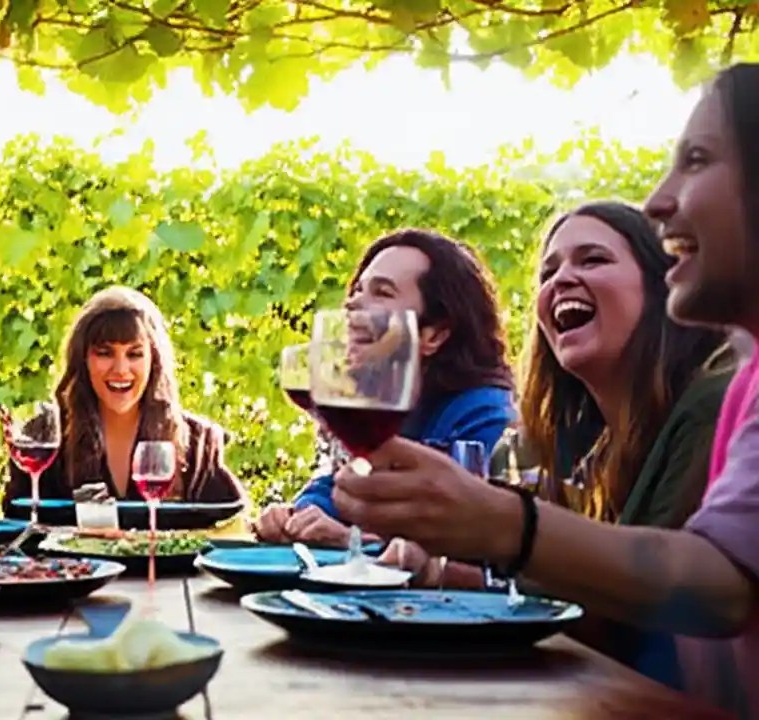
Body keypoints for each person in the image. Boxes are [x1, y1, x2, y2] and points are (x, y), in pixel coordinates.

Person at [331, 64, 759, 718]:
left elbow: (692, 602)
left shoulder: (710, 401)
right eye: (548, 270)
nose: (659, 200)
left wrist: (491, 529)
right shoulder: (590, 437)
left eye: (696, 160)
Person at [382, 202, 731, 686]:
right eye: (549, 271)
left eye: (592, 260)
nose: (561, 279)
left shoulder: (711, 406)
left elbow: (635, 623)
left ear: (662, 285)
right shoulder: (591, 447)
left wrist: (499, 538)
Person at [256, 229, 516, 545]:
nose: (352, 304)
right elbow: (343, 481)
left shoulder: (486, 417)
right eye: (357, 290)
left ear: (433, 334)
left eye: (382, 293)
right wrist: (300, 514)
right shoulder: (372, 404)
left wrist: (353, 541)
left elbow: (474, 548)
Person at [2, 286, 246, 507]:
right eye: (105, 353)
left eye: (135, 354)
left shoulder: (197, 444)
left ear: (155, 362)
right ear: (83, 360)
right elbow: (18, 530)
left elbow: (234, 529)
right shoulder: (46, 439)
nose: (120, 369)